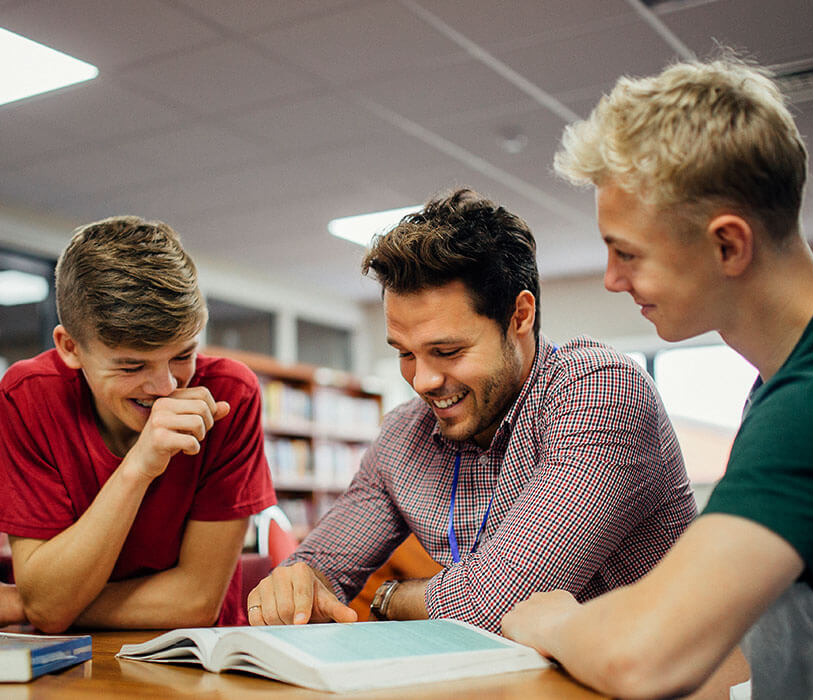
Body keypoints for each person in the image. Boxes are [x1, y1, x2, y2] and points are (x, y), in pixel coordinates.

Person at [500, 57, 813, 699]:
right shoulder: (802, 378)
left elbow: (644, 657)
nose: (612, 279)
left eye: (627, 252)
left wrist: (553, 617)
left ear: (728, 245)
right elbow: (736, 647)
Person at [247, 188, 698, 633]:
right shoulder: (405, 435)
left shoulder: (599, 388)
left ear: (519, 316)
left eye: (447, 350)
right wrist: (293, 587)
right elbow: (317, 568)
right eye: (405, 353)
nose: (422, 381)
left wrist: (391, 596)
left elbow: (500, 603)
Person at [0, 215, 276, 633]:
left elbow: (195, 602)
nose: (165, 387)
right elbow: (49, 604)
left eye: (183, 355)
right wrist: (140, 465)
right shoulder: (28, 396)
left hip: (199, 660)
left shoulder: (230, 394)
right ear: (70, 348)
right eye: (132, 365)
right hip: (68, 665)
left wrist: (18, 603)